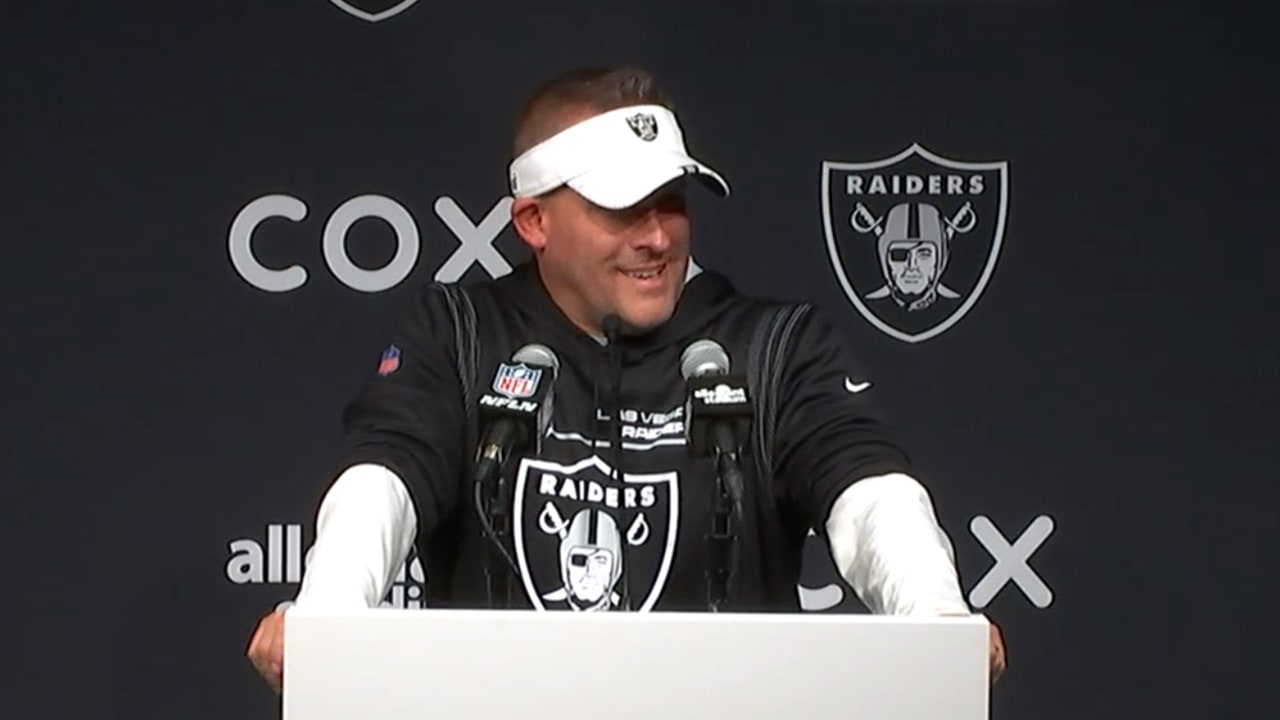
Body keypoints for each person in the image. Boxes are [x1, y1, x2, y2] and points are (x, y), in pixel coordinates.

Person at [246, 64, 1006, 692]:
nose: (656, 237)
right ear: (533, 222)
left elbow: (868, 490)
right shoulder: (460, 334)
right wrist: (329, 619)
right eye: (622, 207)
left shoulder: (773, 345)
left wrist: (937, 624)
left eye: (671, 203)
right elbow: (384, 477)